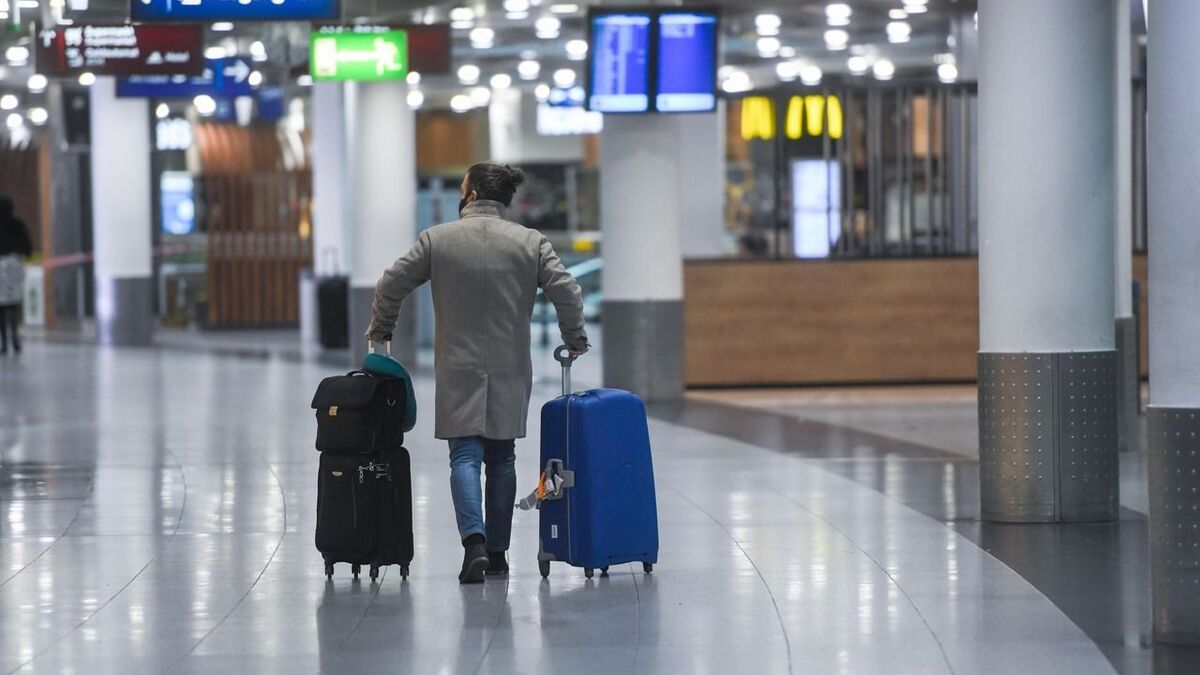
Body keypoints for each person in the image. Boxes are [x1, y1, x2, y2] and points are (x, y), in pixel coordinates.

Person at [366, 162, 589, 584]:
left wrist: (382, 330)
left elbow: (389, 285)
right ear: (503, 199)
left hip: (457, 365)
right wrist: (574, 337)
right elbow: (567, 290)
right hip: (509, 367)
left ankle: (474, 545)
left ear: (469, 194)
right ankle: (499, 553)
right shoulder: (530, 242)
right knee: (502, 458)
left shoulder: (438, 240)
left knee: (464, 455)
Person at [0, 197, 32, 356]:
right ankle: (15, 337)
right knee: (14, 303)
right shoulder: (18, 224)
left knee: (1, 306)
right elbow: (27, 246)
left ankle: (3, 343)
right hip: (15, 264)